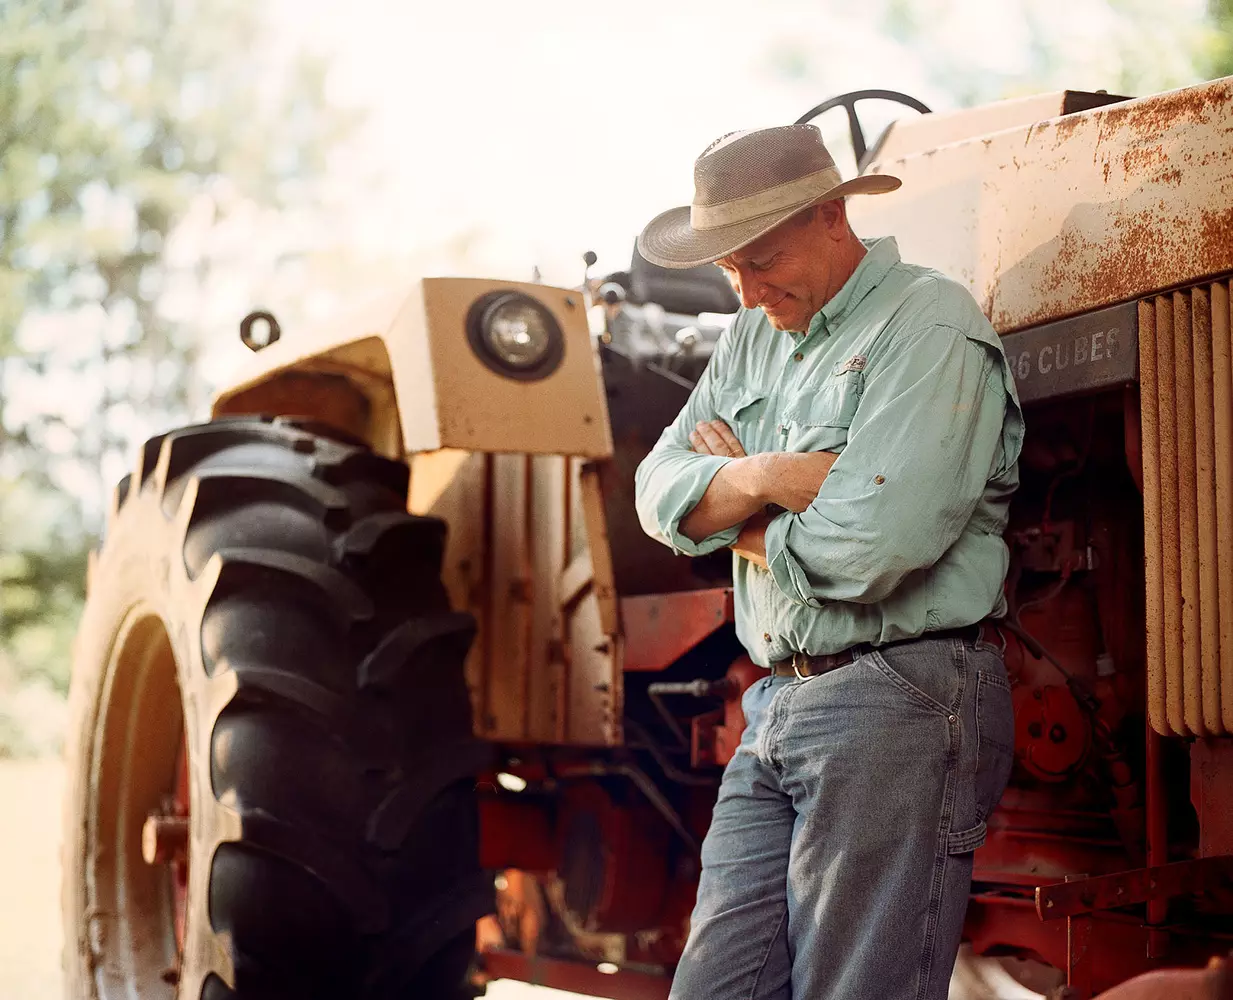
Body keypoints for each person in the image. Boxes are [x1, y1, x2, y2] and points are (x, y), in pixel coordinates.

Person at [633, 123, 1024, 999]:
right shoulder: (750, 336)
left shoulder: (926, 325)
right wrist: (766, 475)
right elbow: (656, 491)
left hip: (897, 696)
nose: (746, 291)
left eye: (762, 259)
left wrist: (722, 511)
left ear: (833, 215)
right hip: (773, 698)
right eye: (728, 270)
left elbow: (872, 547)